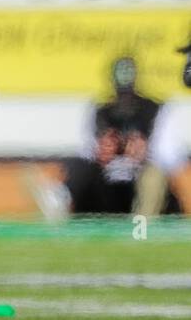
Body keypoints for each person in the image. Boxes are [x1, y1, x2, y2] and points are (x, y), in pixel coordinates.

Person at [61, 57, 183, 215]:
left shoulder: (156, 110)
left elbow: (171, 158)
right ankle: (60, 204)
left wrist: (145, 152)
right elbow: (85, 152)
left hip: (140, 182)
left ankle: (141, 232)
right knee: (80, 168)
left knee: (153, 177)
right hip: (108, 185)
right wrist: (101, 151)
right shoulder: (99, 112)